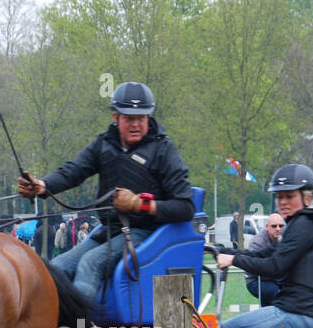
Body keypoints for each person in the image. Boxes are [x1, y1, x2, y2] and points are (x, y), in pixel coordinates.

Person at [18, 81, 194, 303]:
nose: (136, 124)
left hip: (147, 234)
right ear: (115, 117)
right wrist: (42, 186)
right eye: (129, 118)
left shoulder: (164, 150)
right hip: (110, 231)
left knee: (90, 263)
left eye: (141, 118)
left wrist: (139, 205)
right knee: (57, 268)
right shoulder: (104, 144)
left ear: (149, 118)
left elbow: (186, 207)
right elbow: (74, 171)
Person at [215, 164, 313, 328]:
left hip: (297, 315)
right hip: (305, 316)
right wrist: (223, 251)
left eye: (290, 196)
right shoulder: (306, 223)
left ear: (307, 197)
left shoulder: (303, 225)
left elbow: (275, 266)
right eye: (279, 196)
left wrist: (234, 260)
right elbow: (264, 253)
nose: (283, 201)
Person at [243, 213, 285, 305]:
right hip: (255, 281)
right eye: (274, 226)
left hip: (275, 280)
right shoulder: (258, 242)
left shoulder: (284, 238)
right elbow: (254, 265)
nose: (278, 229)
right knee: (279, 293)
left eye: (281, 226)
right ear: (267, 226)